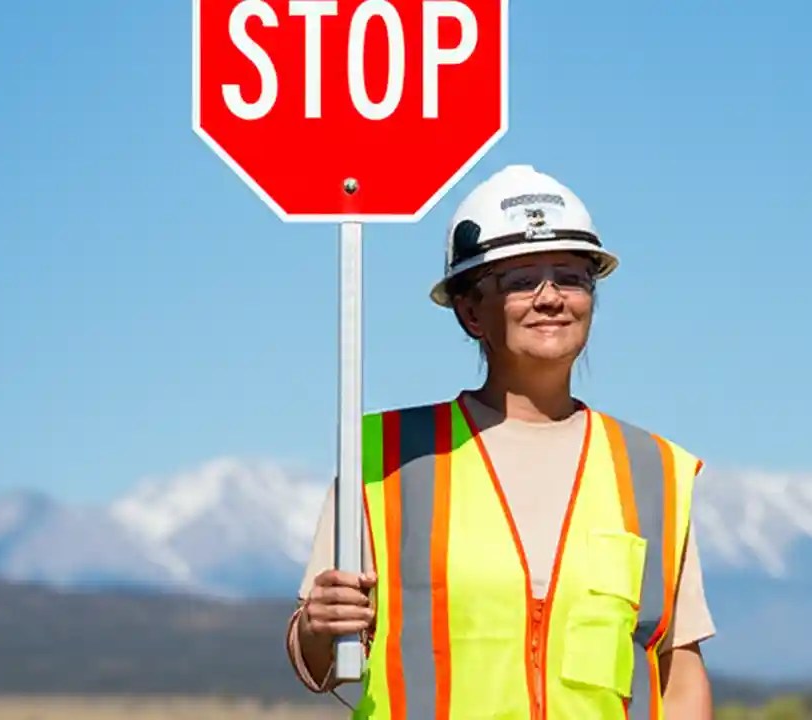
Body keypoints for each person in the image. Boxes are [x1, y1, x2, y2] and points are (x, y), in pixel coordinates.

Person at [285, 164, 716, 719]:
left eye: (569, 276)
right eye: (520, 281)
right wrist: (319, 626)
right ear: (470, 311)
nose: (550, 298)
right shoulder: (389, 458)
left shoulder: (652, 470)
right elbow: (316, 658)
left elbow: (678, 672)